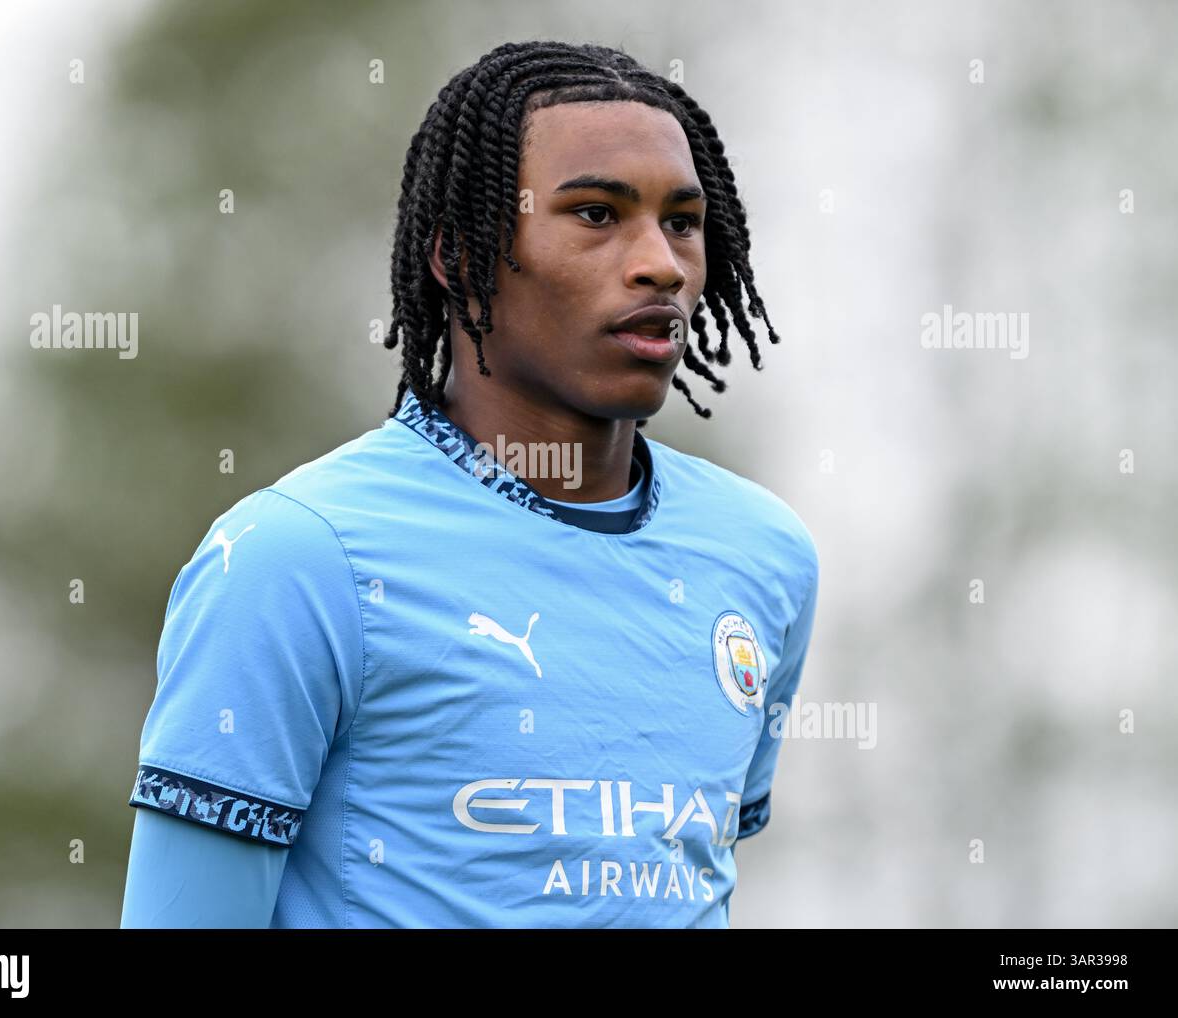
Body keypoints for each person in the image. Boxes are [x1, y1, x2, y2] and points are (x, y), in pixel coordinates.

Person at [120, 39, 819, 929]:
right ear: (459, 255)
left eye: (682, 221)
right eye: (598, 214)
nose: (662, 265)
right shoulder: (296, 559)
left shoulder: (763, 553)